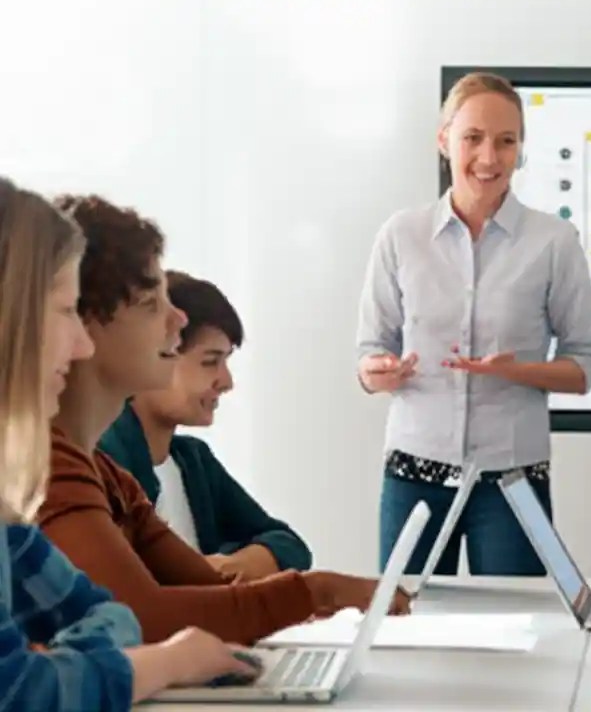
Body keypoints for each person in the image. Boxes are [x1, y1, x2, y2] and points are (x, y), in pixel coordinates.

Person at [37, 194, 410, 645]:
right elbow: (143, 619)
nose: (177, 319)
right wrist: (318, 591)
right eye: (152, 302)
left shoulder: (104, 472)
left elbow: (210, 596)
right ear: (88, 322)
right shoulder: (47, 463)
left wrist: (310, 595)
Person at [0, 177, 257, 709]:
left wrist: (77, 662)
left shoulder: (13, 513)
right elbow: (19, 690)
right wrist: (165, 661)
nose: (79, 345)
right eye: (66, 311)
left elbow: (110, 613)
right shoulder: (51, 468)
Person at [356, 71, 591, 575]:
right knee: (410, 631)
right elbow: (369, 354)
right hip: (415, 475)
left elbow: (586, 365)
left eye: (506, 141)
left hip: (512, 481)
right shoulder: (401, 236)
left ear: (520, 148)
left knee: (523, 633)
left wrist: (517, 372)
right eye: (473, 138)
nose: (489, 158)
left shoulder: (553, 242)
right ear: (444, 140)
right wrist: (378, 372)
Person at [99, 271, 311, 581]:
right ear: (157, 355)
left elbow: (291, 545)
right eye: (210, 361)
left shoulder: (193, 460)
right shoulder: (104, 459)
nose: (226, 382)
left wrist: (234, 565)